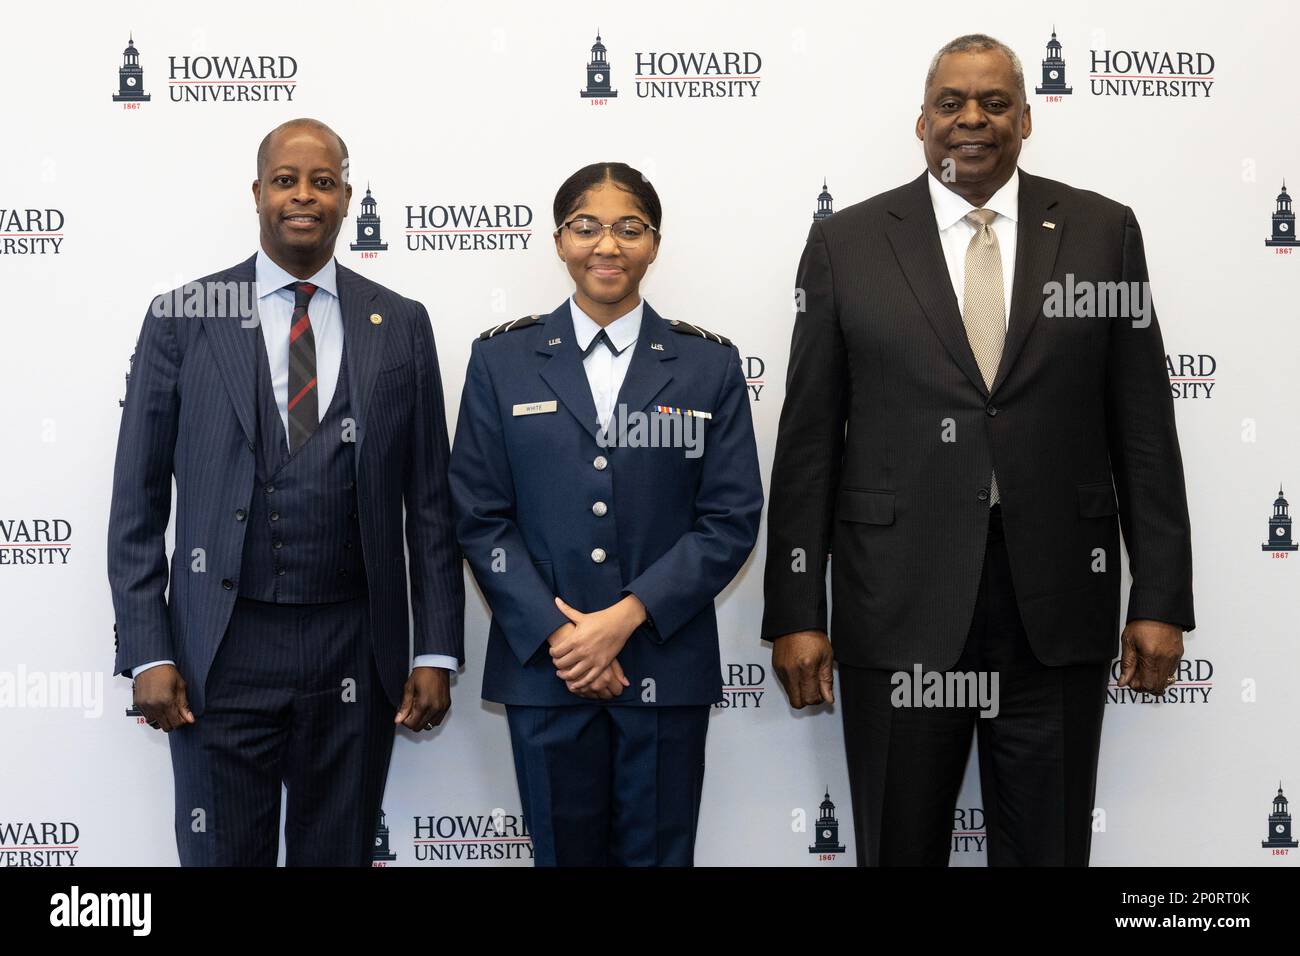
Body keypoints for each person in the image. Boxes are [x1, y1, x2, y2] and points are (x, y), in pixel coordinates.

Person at [762, 35, 1195, 866]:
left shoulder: (1104, 231)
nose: (973, 119)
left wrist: (1160, 597)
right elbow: (810, 439)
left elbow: (1143, 425)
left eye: (994, 103)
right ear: (921, 122)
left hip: (1058, 604)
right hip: (895, 605)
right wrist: (795, 611)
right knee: (897, 847)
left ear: (1026, 120)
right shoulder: (847, 243)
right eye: (953, 103)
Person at [108, 118, 464, 866]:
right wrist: (147, 652)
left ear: (345, 197)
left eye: (323, 182)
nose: (304, 196)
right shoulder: (182, 318)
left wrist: (435, 648)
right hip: (219, 650)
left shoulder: (400, 324)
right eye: (286, 180)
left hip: (354, 648)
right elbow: (137, 507)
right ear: (258, 193)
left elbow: (430, 506)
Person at [449, 162, 763, 866]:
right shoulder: (501, 361)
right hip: (546, 670)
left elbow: (730, 517)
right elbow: (479, 515)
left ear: (655, 244)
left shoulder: (706, 365)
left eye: (629, 228)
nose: (607, 245)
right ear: (559, 241)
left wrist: (623, 620)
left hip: (663, 662)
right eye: (586, 227)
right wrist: (563, 635)